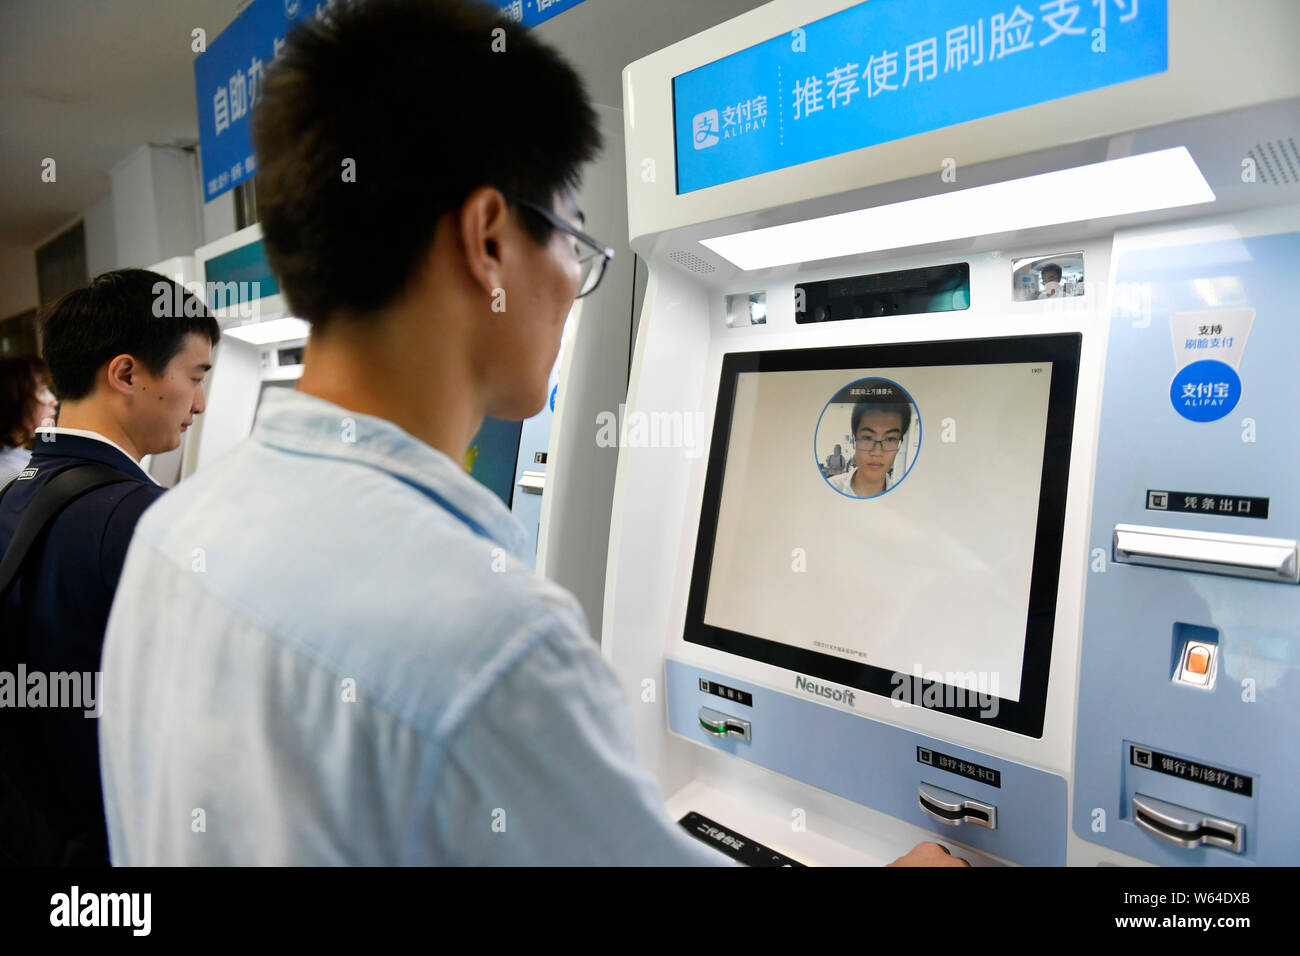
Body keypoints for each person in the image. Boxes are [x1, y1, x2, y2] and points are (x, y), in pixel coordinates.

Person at [98, 0, 963, 868]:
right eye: (573, 237)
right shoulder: (489, 646)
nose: (572, 281)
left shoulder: (172, 536)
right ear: (488, 239)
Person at [0, 270, 217, 865]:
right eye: (195, 377)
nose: (199, 403)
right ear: (125, 374)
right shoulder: (142, 517)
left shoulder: (19, 489)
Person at [830, 389, 913, 498]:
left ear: (899, 446)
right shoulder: (828, 490)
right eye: (868, 437)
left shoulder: (905, 500)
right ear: (854, 439)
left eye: (890, 439)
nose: (877, 452)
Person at [0, 356, 57, 484]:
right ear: (12, 400)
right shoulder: (16, 475)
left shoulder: (24, 461)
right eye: (42, 391)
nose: (53, 400)